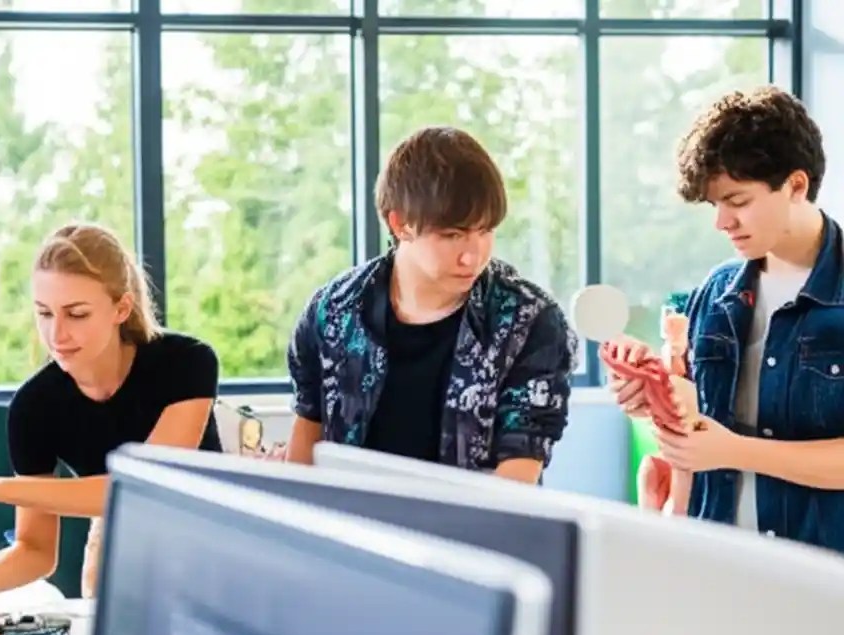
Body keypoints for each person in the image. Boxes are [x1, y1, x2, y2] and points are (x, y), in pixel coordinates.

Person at [0, 223, 222, 597]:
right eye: (44, 314)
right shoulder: (34, 407)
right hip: (117, 544)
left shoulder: (186, 364)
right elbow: (35, 552)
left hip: (212, 549)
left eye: (76, 314)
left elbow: (146, 491)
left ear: (121, 308)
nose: (57, 335)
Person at [606, 85, 844, 551]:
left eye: (737, 202)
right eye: (715, 205)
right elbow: (696, 417)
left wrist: (735, 451)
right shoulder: (716, 293)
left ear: (796, 185)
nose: (722, 223)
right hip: (716, 561)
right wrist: (651, 393)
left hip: (822, 578)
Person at [283, 126, 576, 483]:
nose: (472, 256)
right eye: (452, 235)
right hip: (349, 527)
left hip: (471, 533)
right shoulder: (332, 312)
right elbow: (305, 450)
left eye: (484, 232)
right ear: (401, 223)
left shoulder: (529, 320)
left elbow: (518, 476)